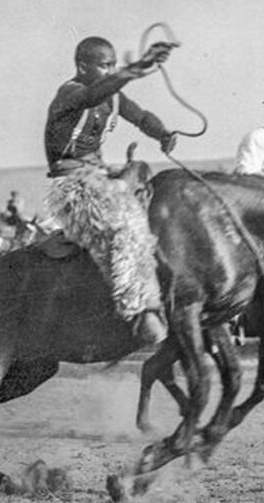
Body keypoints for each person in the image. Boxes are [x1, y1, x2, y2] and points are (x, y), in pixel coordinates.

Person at [44, 36, 178, 344]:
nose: (111, 71)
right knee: (125, 225)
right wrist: (138, 67)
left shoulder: (113, 97)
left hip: (100, 178)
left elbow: (141, 117)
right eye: (105, 66)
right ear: (82, 66)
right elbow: (94, 95)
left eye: (113, 65)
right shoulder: (71, 94)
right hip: (73, 187)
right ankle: (137, 311)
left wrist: (162, 133)